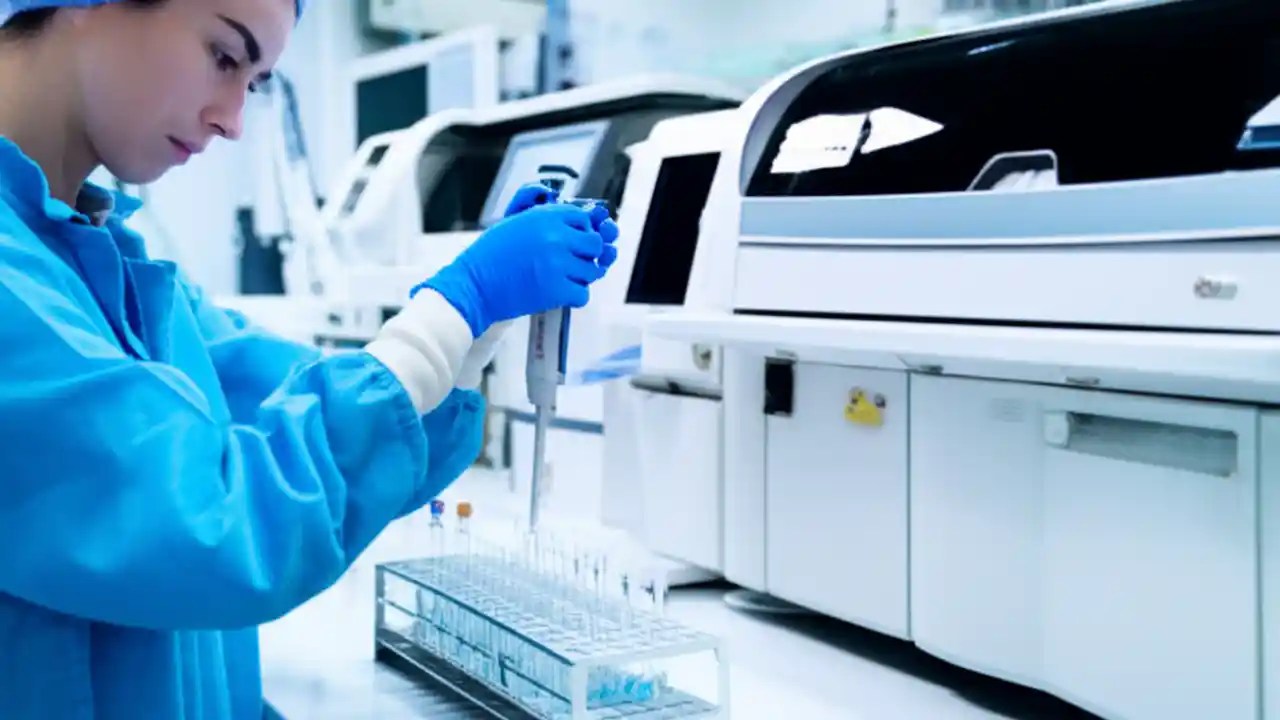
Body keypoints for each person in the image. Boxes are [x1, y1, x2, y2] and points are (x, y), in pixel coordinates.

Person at [0, 0, 620, 717]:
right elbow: (214, 520)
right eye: (225, 56)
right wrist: (457, 303)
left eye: (255, 82)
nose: (232, 120)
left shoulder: (95, 261)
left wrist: (471, 328)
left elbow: (273, 389)